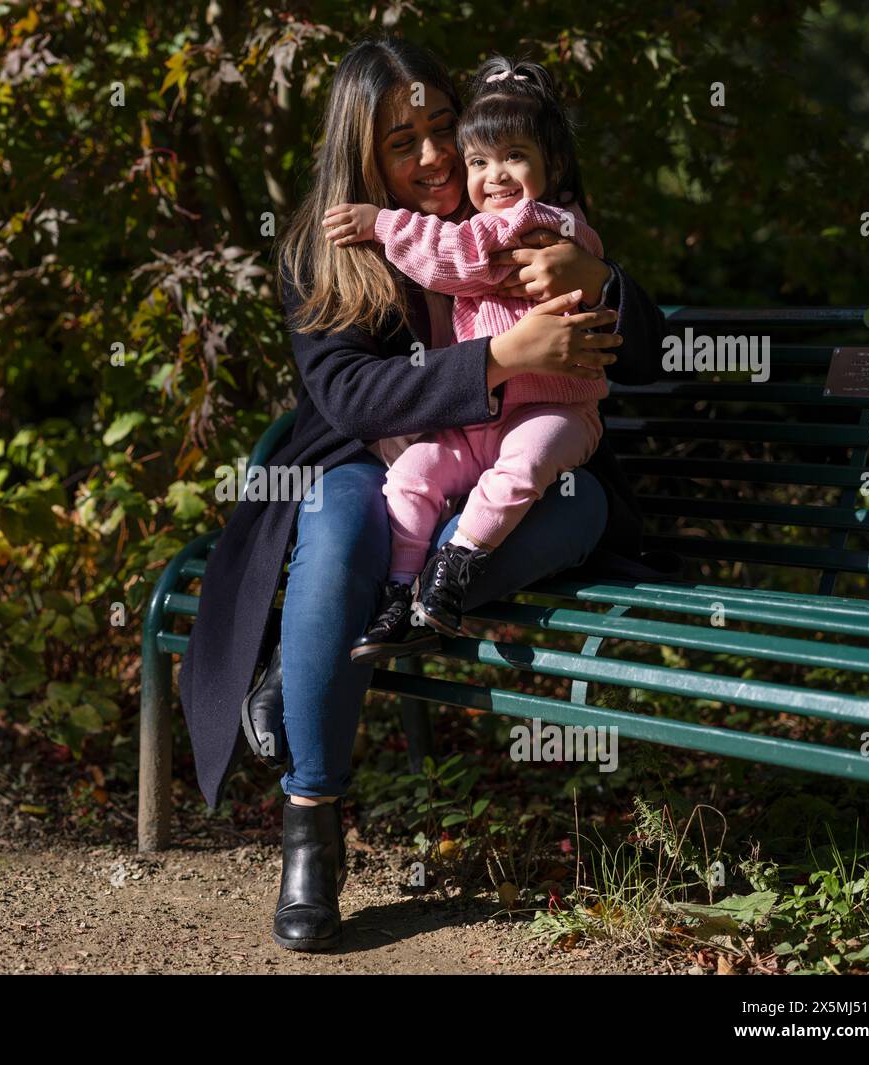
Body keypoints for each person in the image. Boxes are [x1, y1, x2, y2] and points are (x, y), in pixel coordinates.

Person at [177, 35, 664, 952]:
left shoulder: (527, 217)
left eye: (445, 127)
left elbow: (647, 348)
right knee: (345, 525)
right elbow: (353, 395)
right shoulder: (328, 250)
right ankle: (311, 826)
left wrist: (601, 283)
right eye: (406, 142)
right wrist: (500, 358)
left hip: (526, 467)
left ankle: (326, 650)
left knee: (577, 508)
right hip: (371, 455)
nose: (438, 155)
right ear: (364, 156)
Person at [324, 56, 610, 656]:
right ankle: (401, 589)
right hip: (485, 417)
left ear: (551, 165)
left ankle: (456, 561)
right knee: (413, 473)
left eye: (514, 158)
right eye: (479, 161)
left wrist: (381, 224)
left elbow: (454, 258)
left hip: (551, 413)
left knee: (526, 464)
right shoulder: (491, 220)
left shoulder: (536, 223)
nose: (495, 176)